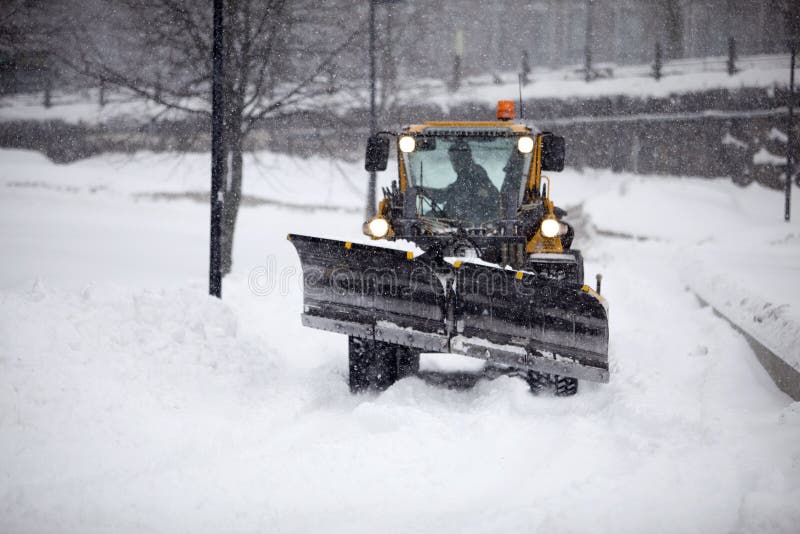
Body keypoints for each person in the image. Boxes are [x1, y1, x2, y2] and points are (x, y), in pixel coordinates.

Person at [424, 139, 499, 225]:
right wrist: (423, 191)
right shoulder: (464, 176)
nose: (455, 164)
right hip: (458, 224)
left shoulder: (475, 174)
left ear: (467, 157)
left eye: (458, 159)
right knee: (428, 217)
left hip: (472, 228)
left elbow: (448, 194)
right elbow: (447, 193)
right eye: (453, 160)